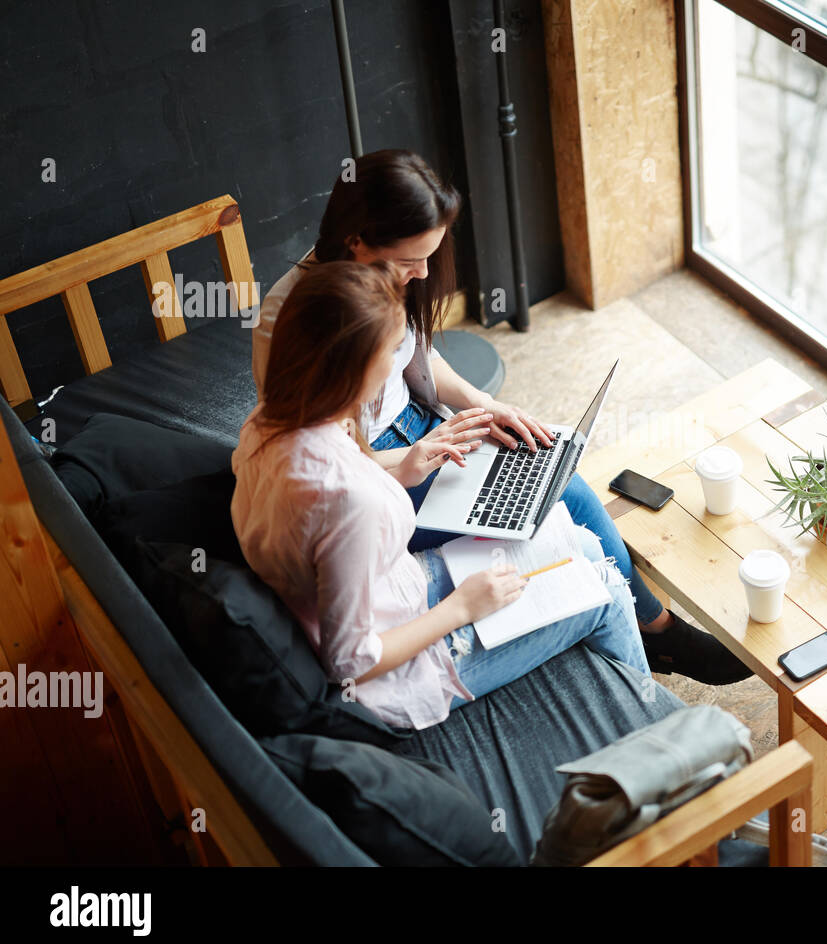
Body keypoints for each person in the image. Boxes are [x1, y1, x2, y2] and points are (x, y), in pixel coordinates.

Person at [250, 148, 749, 686]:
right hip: (388, 468)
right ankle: (657, 633)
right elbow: (327, 464)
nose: (421, 274)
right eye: (409, 261)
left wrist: (486, 408)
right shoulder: (295, 322)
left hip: (425, 435)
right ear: (358, 242)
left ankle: (654, 628)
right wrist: (417, 455)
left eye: (429, 257)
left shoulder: (381, 279)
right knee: (556, 502)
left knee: (550, 466)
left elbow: (415, 360)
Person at [231, 260, 651, 729]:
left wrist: (407, 463)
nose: (399, 366)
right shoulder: (353, 503)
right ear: (353, 372)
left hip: (396, 590)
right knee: (607, 589)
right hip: (400, 675)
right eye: (392, 352)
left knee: (585, 545)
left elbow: (326, 494)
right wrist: (462, 608)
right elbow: (350, 662)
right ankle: (667, 755)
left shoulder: (267, 424)